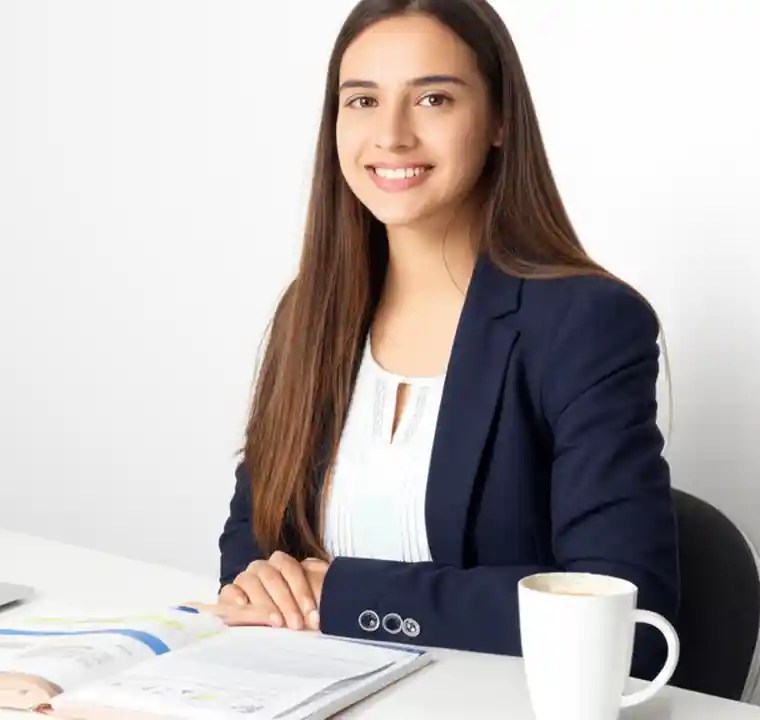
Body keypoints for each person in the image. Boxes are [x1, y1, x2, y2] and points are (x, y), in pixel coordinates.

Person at [209, 0, 678, 681]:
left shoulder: (584, 323)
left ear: (497, 121)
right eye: (362, 100)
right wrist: (281, 590)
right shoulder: (310, 313)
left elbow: (624, 619)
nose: (391, 135)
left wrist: (345, 594)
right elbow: (250, 564)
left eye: (432, 98)